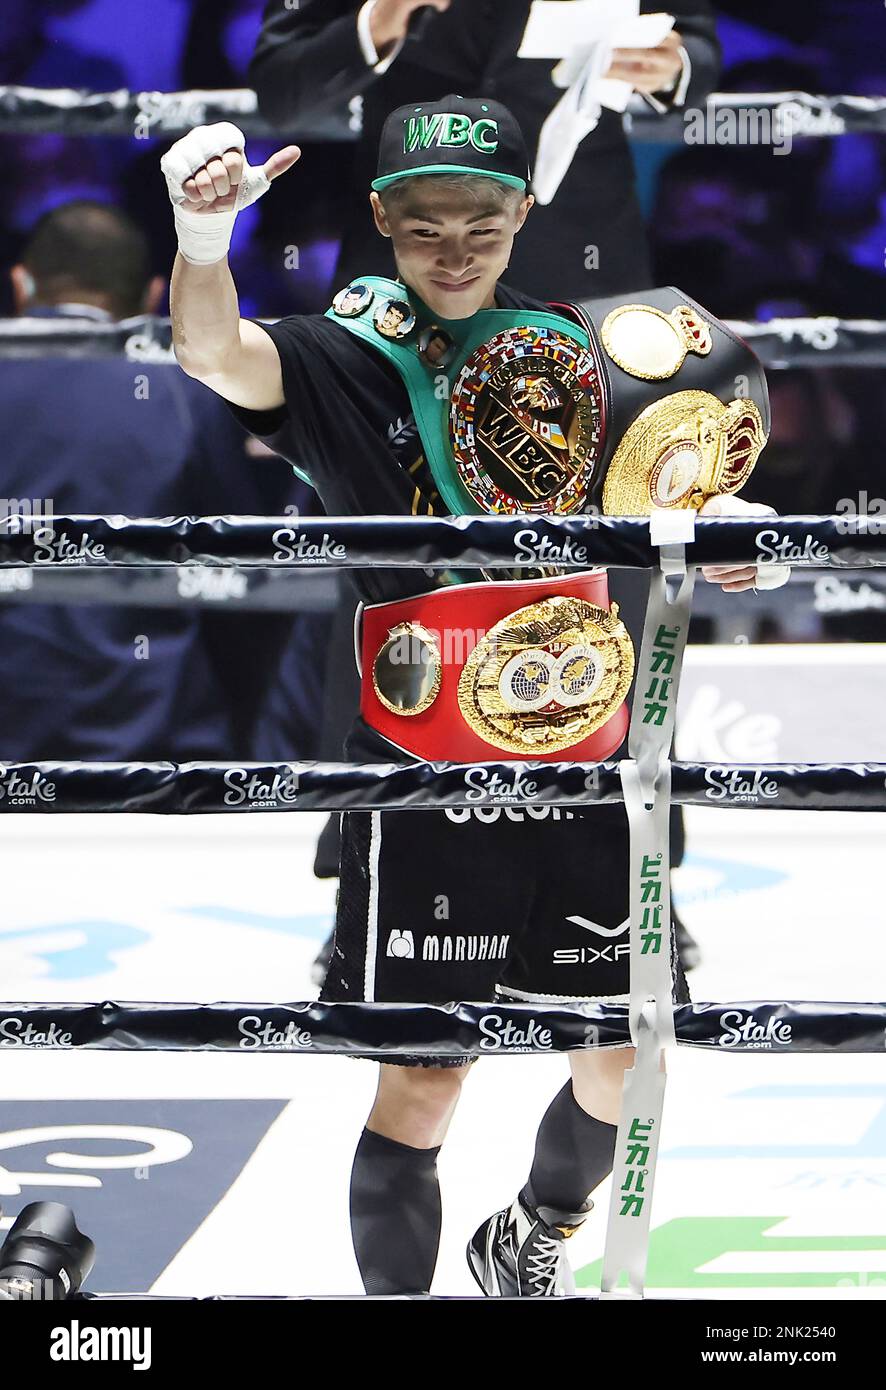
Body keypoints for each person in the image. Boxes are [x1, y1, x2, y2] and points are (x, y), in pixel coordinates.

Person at [161, 96, 780, 1297]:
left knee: (625, 1063)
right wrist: (201, 243)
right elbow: (210, 352)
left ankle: (534, 1232)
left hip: (587, 747)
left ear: (524, 213)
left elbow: (659, 502)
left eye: (482, 222)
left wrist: (709, 533)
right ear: (384, 218)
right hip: (423, 754)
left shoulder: (583, 350)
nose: (455, 248)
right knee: (425, 1076)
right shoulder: (344, 356)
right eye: (428, 223)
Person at [249, 0, 720, 300]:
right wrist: (380, 19)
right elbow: (280, 87)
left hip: (578, 249)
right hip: (403, 263)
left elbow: (697, 48)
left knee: (592, 450)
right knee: (391, 452)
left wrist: (669, 66)